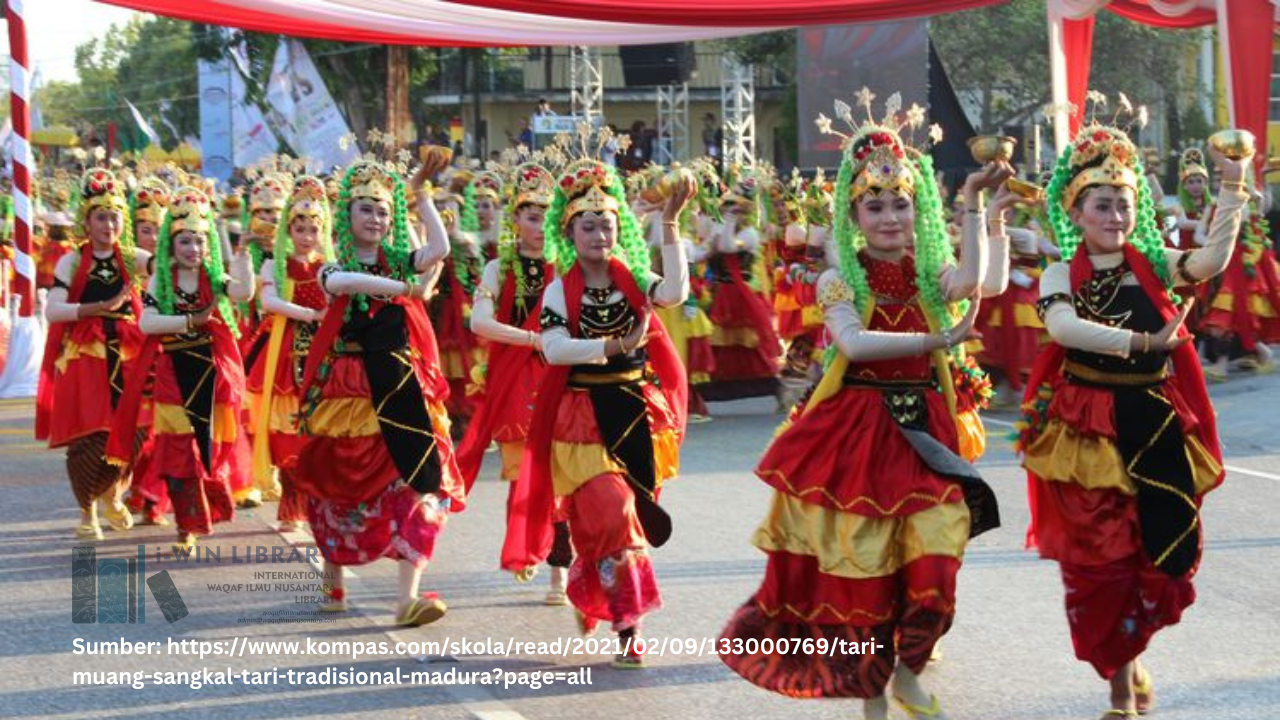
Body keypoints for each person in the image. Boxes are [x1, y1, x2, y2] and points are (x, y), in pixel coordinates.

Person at [719, 104, 1009, 720]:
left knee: (939, 556)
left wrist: (980, 207)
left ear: (916, 209)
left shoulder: (927, 268)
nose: (889, 217)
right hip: (859, 432)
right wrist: (936, 342)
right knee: (868, 576)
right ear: (853, 216)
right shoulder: (838, 280)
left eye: (900, 203)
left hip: (924, 434)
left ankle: (909, 669)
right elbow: (853, 345)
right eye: (874, 206)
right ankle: (872, 700)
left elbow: (974, 285)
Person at [1015, 119, 1249, 719]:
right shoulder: (1060, 273)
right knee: (1100, 559)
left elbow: (1212, 258)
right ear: (1078, 211)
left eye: (1123, 203)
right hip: (1087, 427)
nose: (1114, 215)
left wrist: (1233, 183)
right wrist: (1145, 342)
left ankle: (1132, 655)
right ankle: (1120, 689)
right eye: (1102, 204)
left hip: (1153, 419)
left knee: (1156, 553)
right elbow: (1063, 329)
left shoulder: (1154, 261)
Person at [502, 159, 695, 668]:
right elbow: (554, 349)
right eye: (588, 225)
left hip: (633, 412)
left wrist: (670, 227)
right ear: (570, 231)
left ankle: (608, 602)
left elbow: (675, 294)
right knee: (611, 512)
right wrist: (613, 345)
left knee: (619, 520)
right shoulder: (558, 290)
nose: (599, 233)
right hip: (581, 418)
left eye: (607, 223)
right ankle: (628, 626)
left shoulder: (632, 276)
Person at [292, 156, 466, 626]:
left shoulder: (398, 262)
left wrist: (420, 193)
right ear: (347, 216)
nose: (376, 219)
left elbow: (441, 248)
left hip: (399, 385)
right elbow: (346, 284)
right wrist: (403, 287)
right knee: (337, 485)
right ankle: (334, 582)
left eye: (384, 211)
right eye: (366, 209)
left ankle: (406, 599)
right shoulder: (334, 266)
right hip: (348, 388)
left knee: (412, 481)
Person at [108, 186, 255, 547]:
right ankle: (187, 526)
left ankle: (209, 502)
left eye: (200, 242)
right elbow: (148, 323)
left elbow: (243, 294)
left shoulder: (213, 276)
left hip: (211, 375)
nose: (193, 249)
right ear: (171, 244)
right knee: (178, 449)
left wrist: (243, 255)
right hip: (174, 375)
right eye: (185, 241)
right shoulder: (163, 278)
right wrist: (191, 321)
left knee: (210, 448)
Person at [457, 162, 571, 603]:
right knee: (525, 472)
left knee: (564, 471)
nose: (539, 226)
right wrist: (534, 338)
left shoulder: (568, 264)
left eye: (547, 216)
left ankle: (560, 567)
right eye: (530, 216)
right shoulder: (497, 268)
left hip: (563, 374)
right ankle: (534, 549)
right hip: (518, 379)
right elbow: (480, 322)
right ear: (515, 220)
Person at [38, 169, 151, 540]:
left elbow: (168, 265)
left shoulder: (132, 256)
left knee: (137, 431)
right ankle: (87, 510)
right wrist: (99, 307)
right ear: (86, 221)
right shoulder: (72, 261)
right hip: (87, 354)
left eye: (115, 215)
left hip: (129, 351)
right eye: (101, 216)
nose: (109, 223)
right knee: (90, 435)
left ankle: (112, 493)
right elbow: (53, 311)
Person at [246, 176, 332, 532]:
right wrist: (312, 315)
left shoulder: (328, 265)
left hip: (323, 352)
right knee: (286, 430)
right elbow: (269, 302)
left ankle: (321, 502)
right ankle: (291, 502)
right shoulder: (273, 265)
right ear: (288, 228)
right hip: (284, 352)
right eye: (300, 228)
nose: (307, 236)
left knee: (323, 427)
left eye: (313, 229)